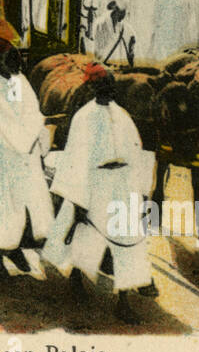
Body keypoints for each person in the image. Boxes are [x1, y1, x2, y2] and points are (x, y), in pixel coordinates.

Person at [43, 63, 158, 323]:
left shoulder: (122, 116)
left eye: (110, 83)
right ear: (94, 87)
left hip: (123, 182)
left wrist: (141, 191)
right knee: (87, 237)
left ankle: (124, 301)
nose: (108, 88)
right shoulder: (84, 117)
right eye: (103, 84)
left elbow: (135, 152)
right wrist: (78, 200)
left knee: (128, 240)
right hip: (95, 185)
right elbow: (75, 158)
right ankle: (76, 277)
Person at [0, 19, 54, 278]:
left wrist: (37, 131)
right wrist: (27, 139)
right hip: (0, 155)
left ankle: (16, 248)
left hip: (21, 152)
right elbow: (4, 121)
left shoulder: (17, 81)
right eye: (10, 64)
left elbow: (29, 110)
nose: (15, 70)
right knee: (1, 206)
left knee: (24, 204)